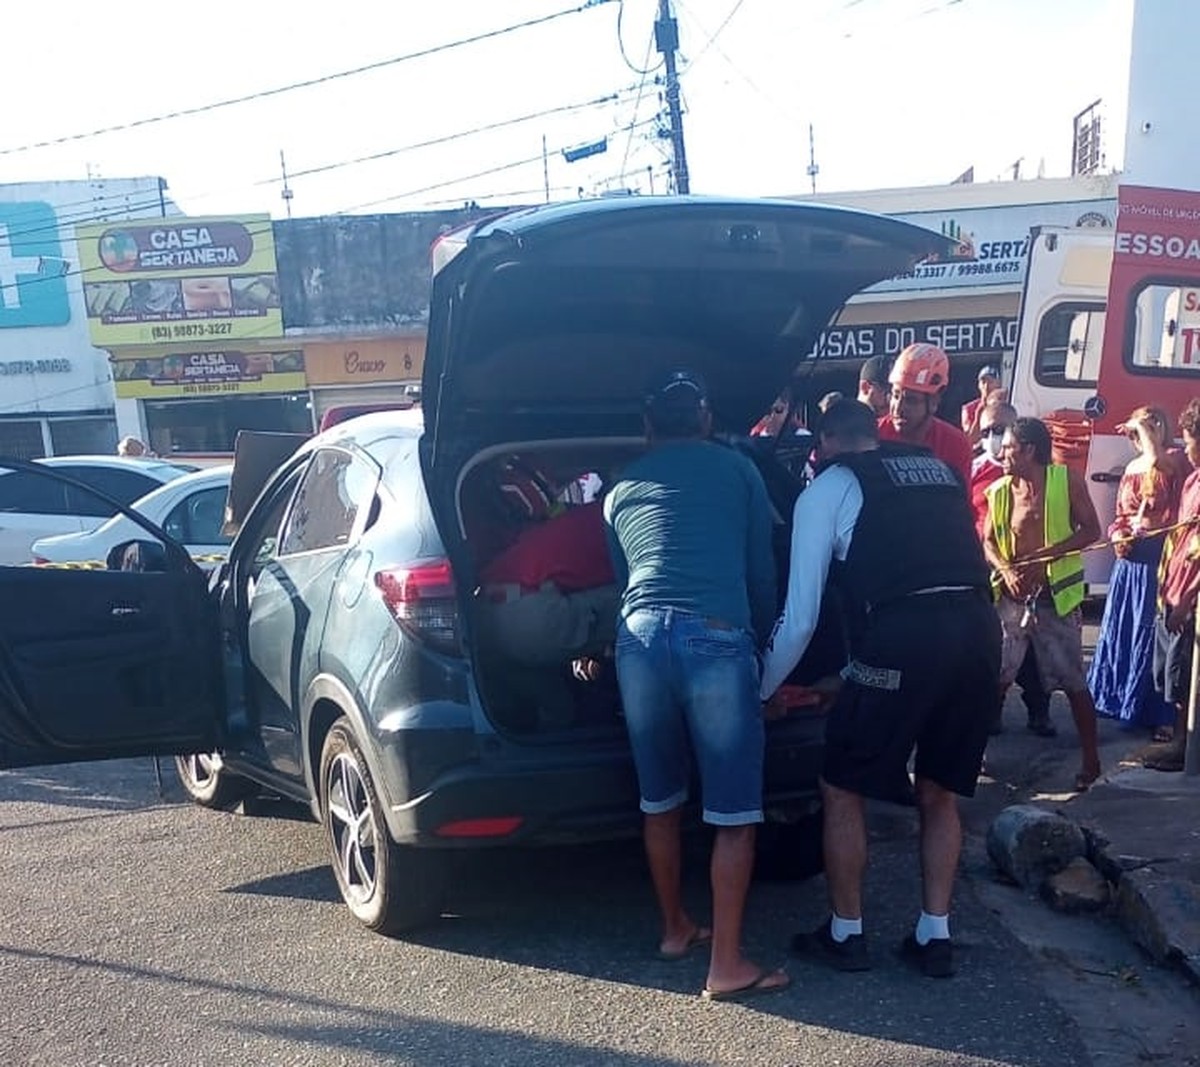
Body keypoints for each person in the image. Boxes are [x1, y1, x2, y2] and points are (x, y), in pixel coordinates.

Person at [760, 398, 998, 979]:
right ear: (875, 433)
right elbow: (931, 569)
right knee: (939, 789)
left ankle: (846, 933)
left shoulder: (829, 486)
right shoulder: (937, 469)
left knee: (842, 783)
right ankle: (934, 934)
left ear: (823, 445)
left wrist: (761, 688)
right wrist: (847, 677)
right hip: (978, 631)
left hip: (906, 633)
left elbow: (801, 617)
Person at [605, 368, 788, 1001]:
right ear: (706, 420)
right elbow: (760, 571)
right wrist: (762, 644)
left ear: (649, 425)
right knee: (733, 813)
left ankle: (675, 929)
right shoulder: (738, 471)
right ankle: (729, 966)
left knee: (660, 801)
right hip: (714, 638)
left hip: (637, 641)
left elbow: (618, 578)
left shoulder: (618, 489)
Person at [982, 417, 1103, 791]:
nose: (1001, 453)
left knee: (1073, 681)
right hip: (1013, 598)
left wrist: (1047, 556)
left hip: (1055, 600)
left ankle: (1092, 762)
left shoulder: (1066, 481)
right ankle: (974, 756)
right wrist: (1006, 569)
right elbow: (988, 541)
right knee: (995, 678)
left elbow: (1092, 531)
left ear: (1030, 450)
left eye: (1008, 448)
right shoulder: (999, 490)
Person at [478, 498, 618, 728]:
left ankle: (560, 734)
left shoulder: (588, 514)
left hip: (488, 615)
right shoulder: (631, 520)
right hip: (532, 614)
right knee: (649, 601)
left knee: (560, 709)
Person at [1088, 406, 1183, 738]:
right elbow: (1120, 513)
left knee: (1151, 633)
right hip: (1130, 560)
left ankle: (1160, 714)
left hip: (1158, 558)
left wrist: (1144, 428)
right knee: (1124, 630)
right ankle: (1119, 700)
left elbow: (1158, 462)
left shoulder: (1173, 457)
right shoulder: (1130, 467)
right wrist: (1117, 534)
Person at [971, 399, 1055, 737]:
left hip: (1034, 578)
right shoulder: (974, 467)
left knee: (1036, 652)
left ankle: (1040, 710)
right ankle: (993, 711)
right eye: (989, 430)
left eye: (1003, 430)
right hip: (989, 571)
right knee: (997, 650)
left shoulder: (1037, 474)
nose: (997, 438)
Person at [1144, 398, 1200, 771]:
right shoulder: (1193, 478)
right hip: (1173, 585)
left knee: (1183, 676)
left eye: (1188, 441)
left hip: (1189, 596)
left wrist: (1187, 601)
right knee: (1167, 672)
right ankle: (1181, 741)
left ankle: (1184, 745)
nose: (1185, 449)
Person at [877, 343, 973, 486]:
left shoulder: (956, 445)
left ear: (934, 401)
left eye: (911, 400)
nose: (898, 408)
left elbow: (960, 503)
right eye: (895, 396)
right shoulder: (874, 435)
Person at [961, 365, 1005, 444]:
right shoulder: (968, 409)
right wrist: (979, 414)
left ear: (999, 383)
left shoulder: (1005, 406)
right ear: (979, 386)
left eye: (991, 382)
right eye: (983, 382)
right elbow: (969, 441)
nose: (987, 386)